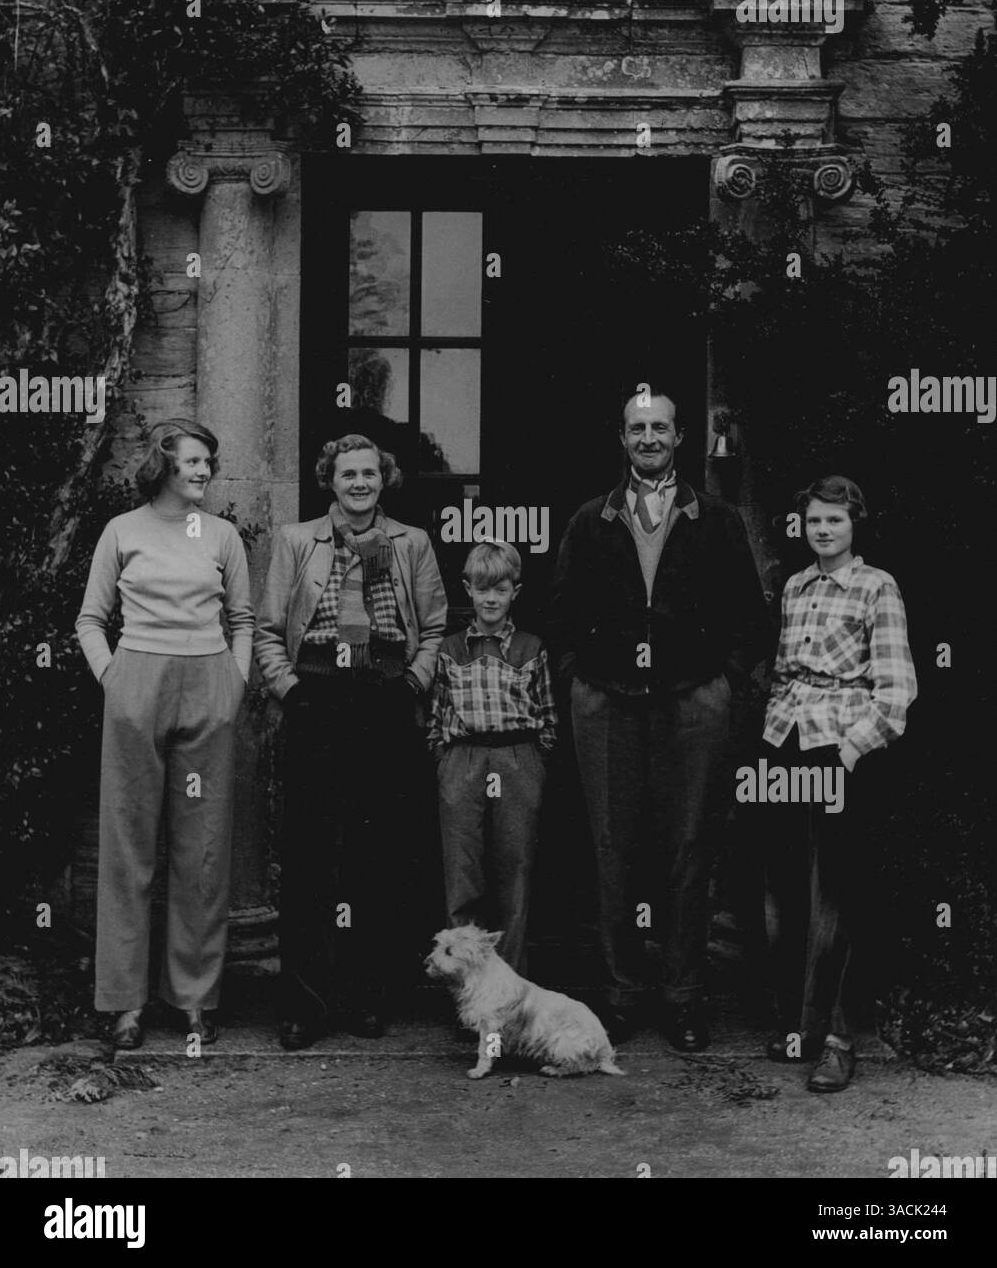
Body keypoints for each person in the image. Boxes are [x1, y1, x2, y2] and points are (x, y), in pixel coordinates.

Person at [549, 389, 769, 1050]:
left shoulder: (717, 518)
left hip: (691, 701)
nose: (648, 438)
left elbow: (748, 618)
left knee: (687, 850)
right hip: (606, 702)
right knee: (613, 849)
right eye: (636, 428)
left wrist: (721, 685)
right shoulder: (592, 518)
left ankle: (681, 998)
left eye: (659, 428)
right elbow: (559, 613)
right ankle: (621, 994)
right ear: (621, 438)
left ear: (678, 439)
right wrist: (578, 681)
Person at [255, 434, 447, 1048]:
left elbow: (437, 625)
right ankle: (304, 1005)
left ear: (383, 479)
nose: (359, 483)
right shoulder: (295, 540)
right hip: (318, 699)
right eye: (347, 474)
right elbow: (266, 629)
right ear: (329, 480)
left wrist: (412, 683)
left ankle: (366, 994)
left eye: (369, 473)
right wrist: (291, 691)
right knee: (310, 853)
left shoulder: (411, 542)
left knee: (377, 854)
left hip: (385, 701)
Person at [76, 418, 253, 1050]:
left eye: (209, 460)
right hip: (137, 685)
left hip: (209, 685)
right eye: (193, 461)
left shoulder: (224, 536)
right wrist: (116, 679)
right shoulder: (122, 531)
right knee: (129, 847)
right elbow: (91, 619)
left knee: (201, 848)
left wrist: (232, 685)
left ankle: (193, 998)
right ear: (163, 466)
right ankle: (123, 1003)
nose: (204, 470)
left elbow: (242, 618)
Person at [760, 475, 917, 1092]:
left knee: (842, 898)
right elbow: (781, 674)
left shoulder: (877, 587)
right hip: (785, 746)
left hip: (842, 751)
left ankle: (839, 1038)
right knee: (788, 894)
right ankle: (800, 1024)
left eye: (834, 521)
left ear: (854, 526)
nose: (822, 531)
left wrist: (851, 750)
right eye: (813, 521)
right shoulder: (795, 586)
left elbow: (898, 689)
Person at [428, 540, 557, 978]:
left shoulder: (531, 646)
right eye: (482, 589)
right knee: (463, 876)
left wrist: (533, 763)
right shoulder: (450, 649)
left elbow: (547, 716)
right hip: (464, 760)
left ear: (515, 593)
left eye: (500, 590)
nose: (490, 599)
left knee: (514, 876)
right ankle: (466, 987)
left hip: (517, 758)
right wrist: (446, 761)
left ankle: (509, 992)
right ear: (467, 589)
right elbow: (438, 715)